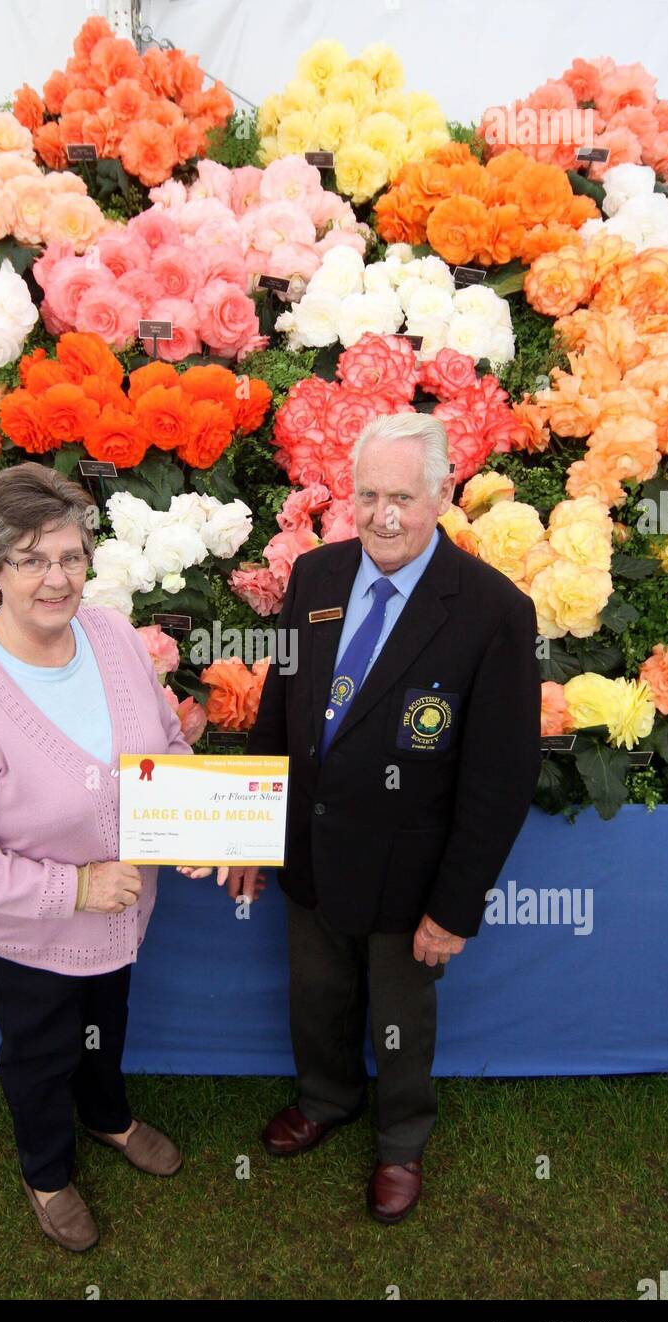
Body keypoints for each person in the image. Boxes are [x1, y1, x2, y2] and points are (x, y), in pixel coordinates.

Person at [225, 413, 542, 1225]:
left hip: (410, 874)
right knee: (317, 995)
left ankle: (402, 1140)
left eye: (402, 495)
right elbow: (278, 711)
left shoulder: (492, 613)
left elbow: (500, 779)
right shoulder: (317, 578)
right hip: (309, 850)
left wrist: (455, 905)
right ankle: (326, 1099)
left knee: (401, 1017)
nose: (383, 514)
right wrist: (252, 834)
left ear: (443, 493)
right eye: (368, 494)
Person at [0, 462, 201, 1253]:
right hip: (27, 937)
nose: (57, 579)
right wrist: (74, 887)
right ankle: (46, 1170)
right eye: (33, 559)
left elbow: (164, 745)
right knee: (40, 1054)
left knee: (109, 1023)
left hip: (125, 913)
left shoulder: (110, 635)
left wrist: (193, 826)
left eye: (71, 557)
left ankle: (108, 1118)